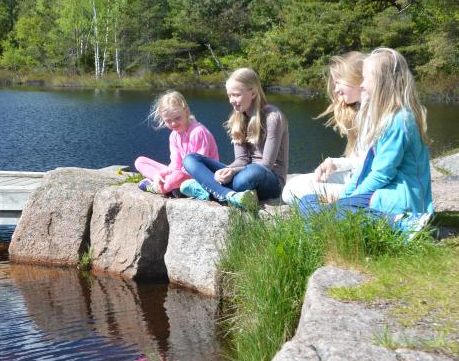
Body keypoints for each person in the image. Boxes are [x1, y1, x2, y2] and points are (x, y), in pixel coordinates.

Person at [296, 47, 433, 234]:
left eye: (366, 78)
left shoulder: (399, 120)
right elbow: (363, 169)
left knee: (322, 215)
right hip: (380, 196)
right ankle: (327, 228)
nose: (361, 85)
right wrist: (345, 197)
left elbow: (382, 175)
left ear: (382, 82)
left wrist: (348, 202)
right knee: (307, 202)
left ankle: (401, 224)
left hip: (400, 200)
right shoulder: (386, 117)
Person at [180, 67, 288, 211]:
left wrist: (234, 172)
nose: (232, 100)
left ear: (253, 93)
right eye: (229, 95)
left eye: (236, 95)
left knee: (248, 176)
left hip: (269, 179)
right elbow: (241, 159)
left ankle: (207, 187)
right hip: (243, 173)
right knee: (190, 159)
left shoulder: (273, 117)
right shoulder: (238, 118)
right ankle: (228, 194)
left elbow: (267, 164)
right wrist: (227, 171)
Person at [281, 52, 365, 205]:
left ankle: (342, 205)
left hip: (364, 186)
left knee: (295, 192)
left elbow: (373, 167)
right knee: (291, 188)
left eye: (340, 82)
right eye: (335, 83)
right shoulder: (359, 111)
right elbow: (357, 161)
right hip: (354, 177)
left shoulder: (378, 116)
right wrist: (334, 163)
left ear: (359, 80)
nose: (336, 89)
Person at [133, 90, 219, 196]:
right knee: (140, 161)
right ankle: (158, 181)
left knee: (176, 177)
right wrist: (161, 174)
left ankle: (157, 187)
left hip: (201, 175)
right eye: (168, 121)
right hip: (180, 172)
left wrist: (173, 175)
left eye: (177, 118)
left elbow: (199, 167)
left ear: (186, 112)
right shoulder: (174, 135)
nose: (173, 123)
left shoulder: (198, 132)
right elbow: (175, 164)